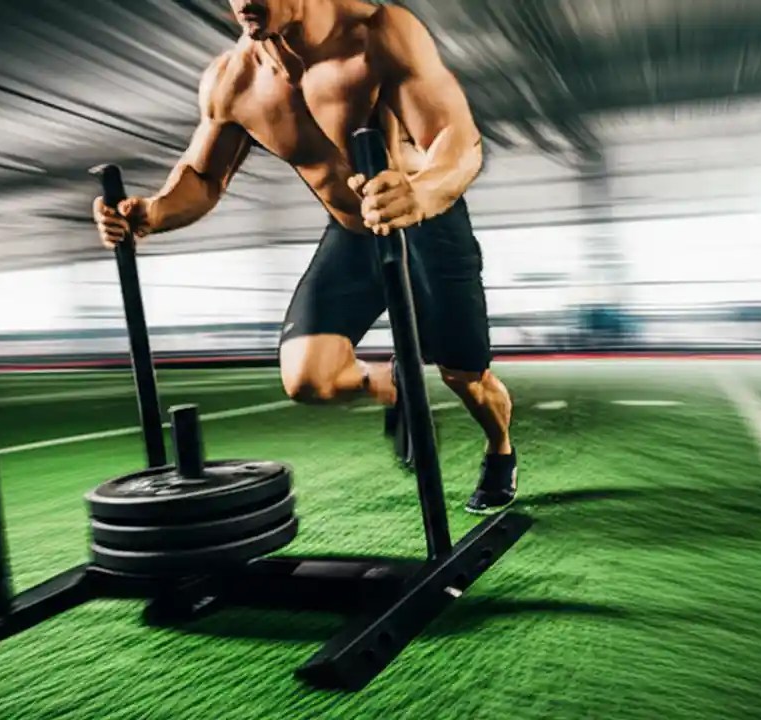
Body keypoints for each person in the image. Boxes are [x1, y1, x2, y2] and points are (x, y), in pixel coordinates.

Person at [93, 0, 517, 513]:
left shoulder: (378, 33)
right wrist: (151, 213)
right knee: (307, 378)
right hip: (353, 233)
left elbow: (457, 139)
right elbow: (203, 178)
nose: (245, 2)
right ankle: (392, 384)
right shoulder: (233, 80)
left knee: (464, 377)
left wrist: (423, 191)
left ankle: (500, 449)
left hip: (426, 221)